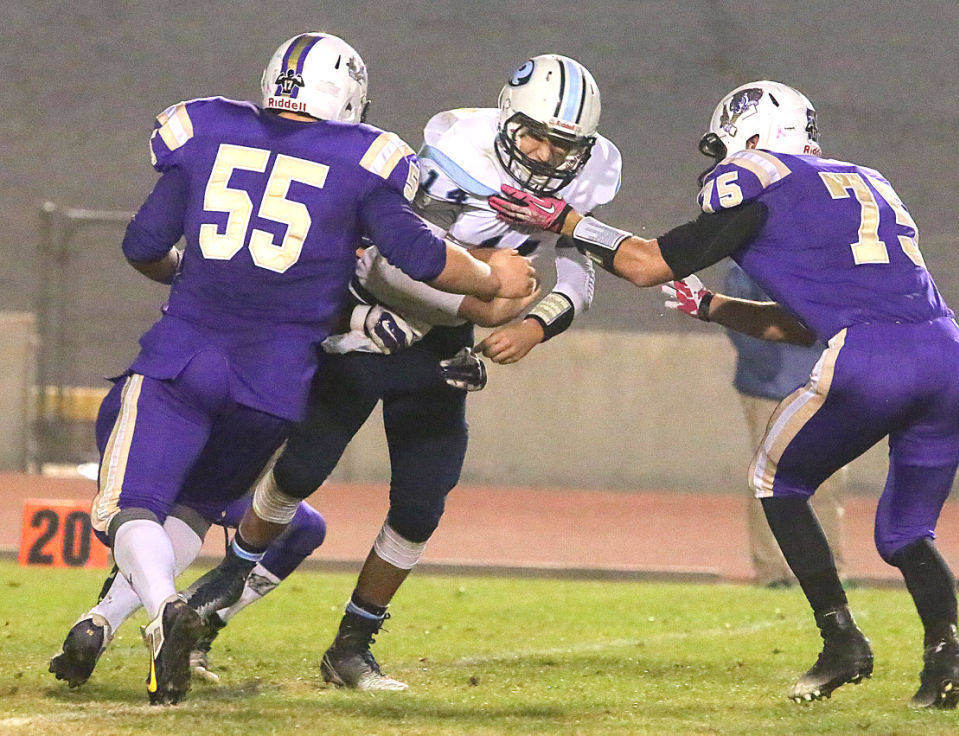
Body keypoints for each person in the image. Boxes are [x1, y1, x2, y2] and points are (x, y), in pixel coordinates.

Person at [489, 80, 959, 709]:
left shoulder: (757, 175)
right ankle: (945, 654)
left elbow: (644, 264)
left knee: (777, 480)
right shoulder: (865, 181)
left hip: (871, 356)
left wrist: (567, 221)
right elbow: (803, 322)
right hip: (948, 354)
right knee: (908, 531)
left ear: (750, 135)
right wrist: (716, 306)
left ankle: (841, 641)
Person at [81, 31, 535, 705]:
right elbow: (420, 255)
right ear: (347, 95)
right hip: (273, 383)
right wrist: (489, 275)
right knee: (201, 507)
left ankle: (162, 609)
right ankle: (135, 620)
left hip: (187, 353)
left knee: (130, 503)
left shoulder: (203, 128)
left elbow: (143, 244)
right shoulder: (365, 157)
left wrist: (188, 272)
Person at [186, 54, 621, 692]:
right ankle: (210, 606)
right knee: (301, 470)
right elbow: (382, 239)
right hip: (377, 314)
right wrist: (473, 280)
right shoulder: (451, 148)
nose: (548, 157)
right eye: (536, 137)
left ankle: (352, 647)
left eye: (564, 147)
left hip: (443, 336)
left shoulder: (589, 175)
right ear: (505, 118)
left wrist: (529, 327)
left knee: (421, 500)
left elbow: (580, 272)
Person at [50, 373, 327, 688]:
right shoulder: (290, 346)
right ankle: (166, 621)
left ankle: (117, 622)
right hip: (190, 411)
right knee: (179, 509)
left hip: (163, 397)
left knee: (148, 513)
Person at [721, 262, 846, 588]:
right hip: (770, 388)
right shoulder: (750, 260)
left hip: (823, 382)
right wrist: (767, 369)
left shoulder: (830, 253)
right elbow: (738, 316)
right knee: (770, 480)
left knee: (829, 480)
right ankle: (772, 572)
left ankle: (831, 570)